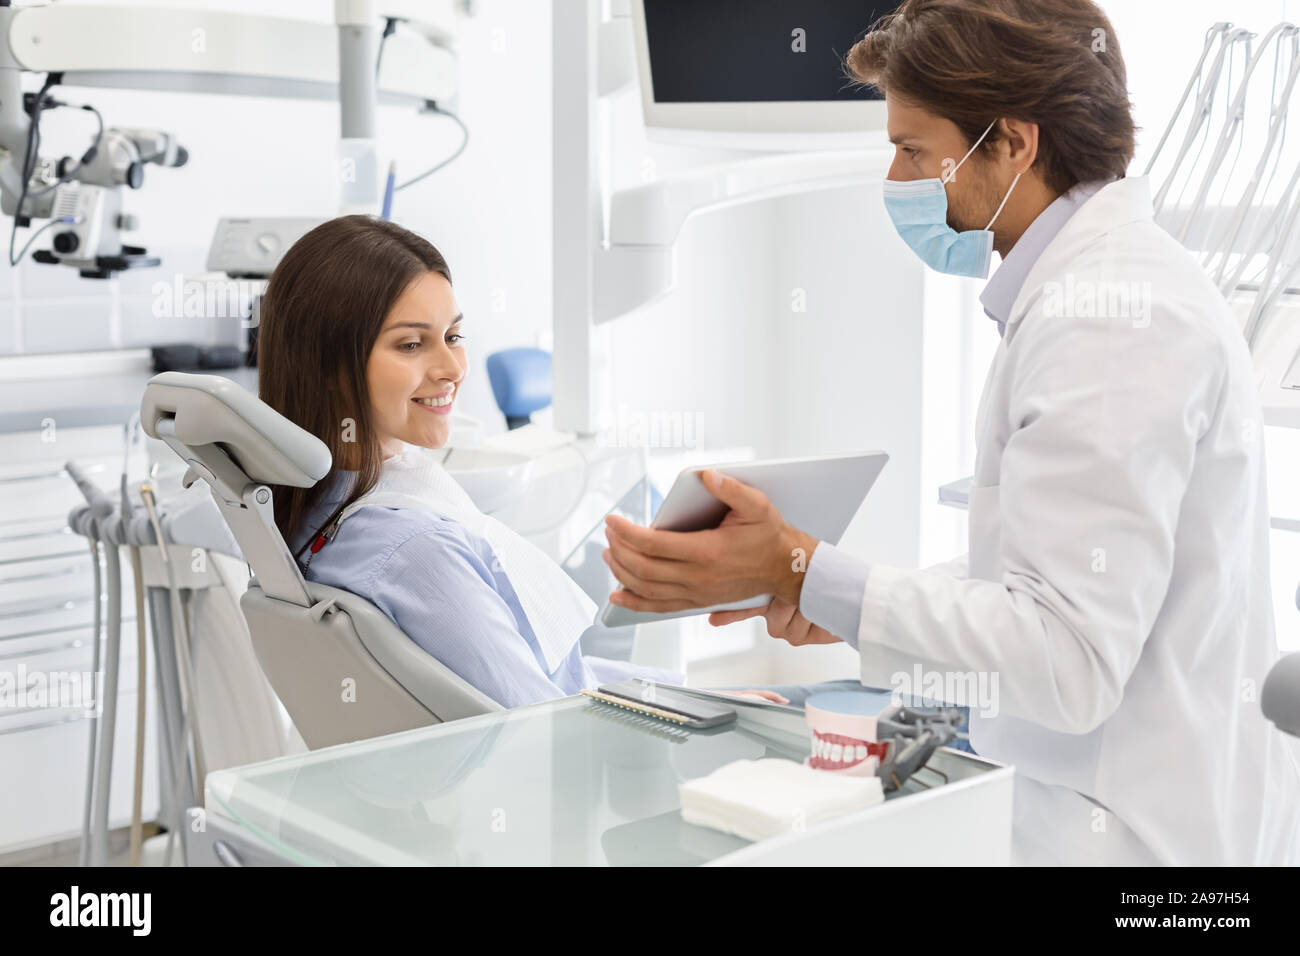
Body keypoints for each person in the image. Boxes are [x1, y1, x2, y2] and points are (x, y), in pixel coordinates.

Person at [603, 0, 1300, 865]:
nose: (895, 179)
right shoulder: (1092, 290)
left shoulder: (1111, 320)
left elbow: (1066, 661)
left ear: (1012, 142)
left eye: (911, 150)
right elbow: (1049, 575)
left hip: (1137, 848)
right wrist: (833, 596)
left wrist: (802, 568)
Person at [256, 215, 786, 710]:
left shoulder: (318, 516)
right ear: (328, 365)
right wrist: (701, 710)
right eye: (412, 344)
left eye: (453, 337)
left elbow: (550, 682)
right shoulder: (412, 551)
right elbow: (545, 725)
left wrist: (694, 696)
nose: (451, 368)